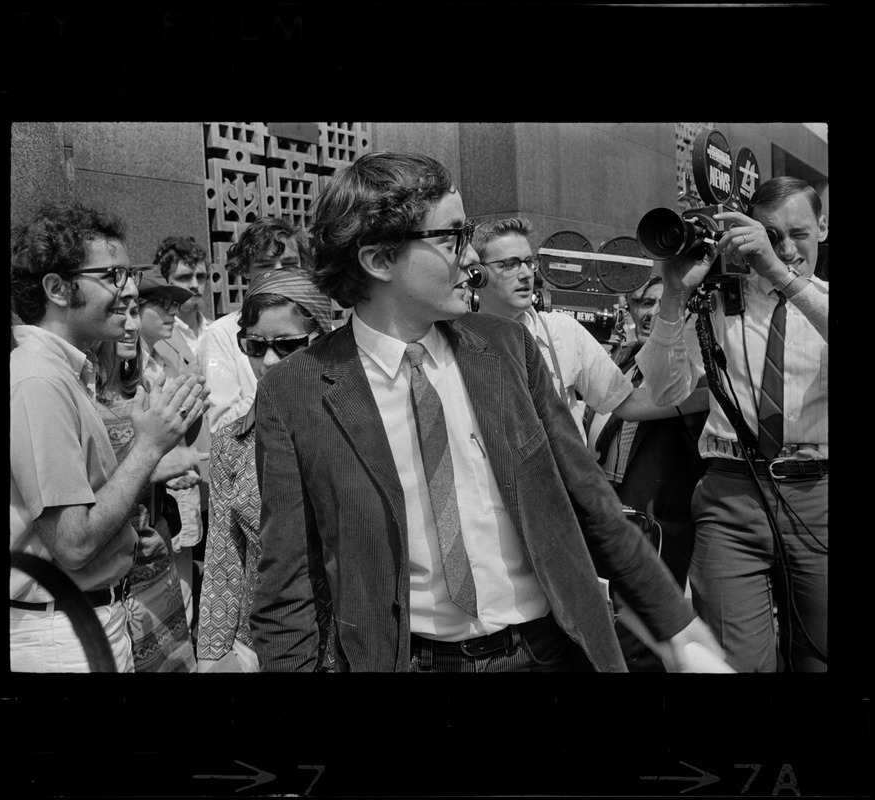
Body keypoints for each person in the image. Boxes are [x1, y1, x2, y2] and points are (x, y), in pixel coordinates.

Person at [249, 151, 727, 673]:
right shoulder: (294, 391)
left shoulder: (506, 349)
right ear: (379, 259)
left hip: (549, 647)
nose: (471, 259)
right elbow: (287, 585)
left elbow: (592, 505)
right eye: (451, 237)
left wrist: (681, 629)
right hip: (409, 658)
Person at [635, 176, 828, 673]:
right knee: (737, 663)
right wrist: (675, 294)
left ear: (823, 228)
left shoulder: (821, 301)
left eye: (798, 234)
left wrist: (781, 275)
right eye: (769, 234)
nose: (785, 248)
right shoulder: (719, 302)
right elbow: (666, 391)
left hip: (819, 497)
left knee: (819, 656)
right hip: (730, 496)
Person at [10, 201, 208, 673]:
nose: (130, 289)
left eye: (129, 273)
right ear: (57, 288)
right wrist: (149, 446)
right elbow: (74, 544)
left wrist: (124, 536)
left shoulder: (64, 372)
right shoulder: (39, 380)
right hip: (62, 639)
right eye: (113, 275)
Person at [196, 269, 333, 672]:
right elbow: (223, 561)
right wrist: (212, 658)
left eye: (287, 346)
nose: (268, 361)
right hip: (264, 648)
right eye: (254, 346)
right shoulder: (231, 445)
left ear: (322, 339)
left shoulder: (358, 429)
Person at [470, 217, 707, 442]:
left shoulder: (561, 331)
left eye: (529, 262)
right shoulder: (458, 342)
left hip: (561, 483)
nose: (525, 274)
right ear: (476, 274)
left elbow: (628, 403)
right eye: (509, 264)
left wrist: (718, 398)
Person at [585, 275, 709, 672]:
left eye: (661, 303)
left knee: (643, 648)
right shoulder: (616, 365)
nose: (650, 313)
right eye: (642, 303)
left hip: (659, 534)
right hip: (606, 526)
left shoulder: (696, 377)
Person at [92, 299, 200, 672]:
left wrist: (166, 525)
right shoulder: (79, 399)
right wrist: (153, 464)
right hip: (106, 578)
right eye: (119, 313)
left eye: (136, 312)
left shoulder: (146, 390)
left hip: (154, 569)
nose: (130, 325)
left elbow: (164, 492)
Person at [137, 267, 206, 633]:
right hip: (148, 503)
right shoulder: (124, 364)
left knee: (184, 603)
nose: (171, 311)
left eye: (173, 304)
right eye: (160, 304)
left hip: (181, 492)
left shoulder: (167, 355)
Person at [199, 218, 311, 434]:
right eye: (265, 266)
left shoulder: (318, 324)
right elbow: (220, 426)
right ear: (245, 271)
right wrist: (277, 387)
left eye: (289, 264)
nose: (279, 274)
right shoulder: (221, 335)